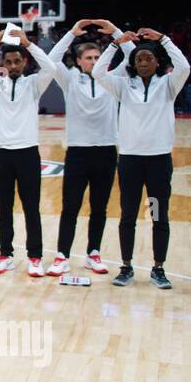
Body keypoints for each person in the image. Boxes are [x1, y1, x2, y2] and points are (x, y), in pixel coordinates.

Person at [92, 27, 190, 289]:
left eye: (148, 58)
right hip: (130, 161)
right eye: (139, 59)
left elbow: (184, 66)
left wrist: (164, 39)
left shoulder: (169, 84)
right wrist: (115, 45)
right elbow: (98, 72)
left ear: (158, 61)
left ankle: (158, 268)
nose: (144, 62)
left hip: (158, 162)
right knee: (128, 215)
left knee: (158, 216)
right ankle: (126, 266)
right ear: (133, 64)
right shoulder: (123, 86)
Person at [0, 25, 58, 275]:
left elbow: (51, 67)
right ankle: (5, 253)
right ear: (3, 63)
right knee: (3, 208)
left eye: (17, 61)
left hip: (28, 153)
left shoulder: (34, 83)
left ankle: (35, 257)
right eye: (8, 61)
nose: (13, 65)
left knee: (31, 208)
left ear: (24, 62)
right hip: (0, 154)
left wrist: (27, 43)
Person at [45, 19, 132, 275]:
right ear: (79, 61)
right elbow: (52, 58)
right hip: (78, 152)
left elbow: (132, 55)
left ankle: (93, 252)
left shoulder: (112, 78)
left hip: (106, 150)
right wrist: (72, 33)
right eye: (90, 57)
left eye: (97, 57)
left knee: (99, 206)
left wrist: (115, 31)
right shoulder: (69, 79)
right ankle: (62, 255)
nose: (94, 61)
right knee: (70, 206)